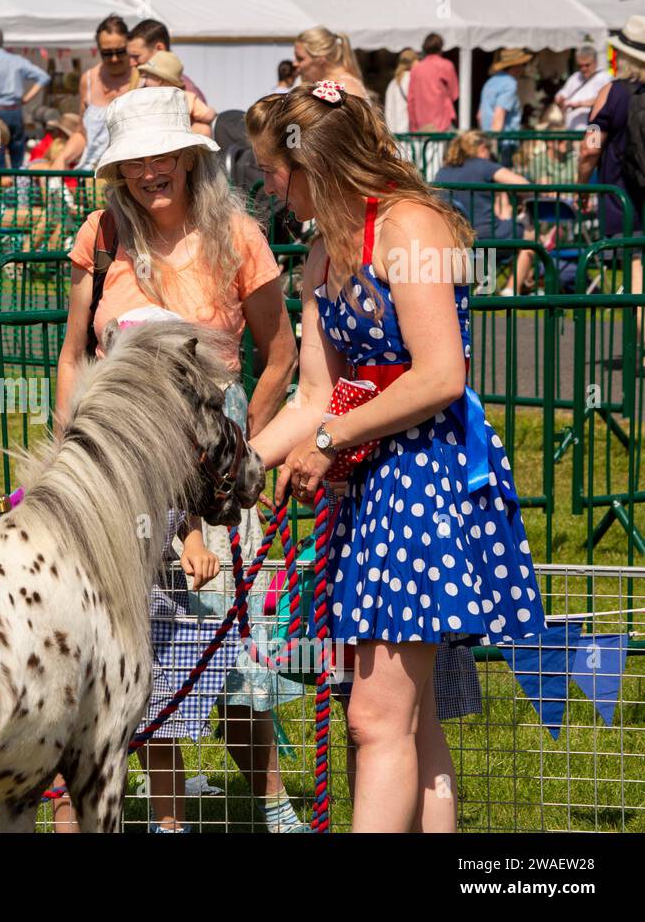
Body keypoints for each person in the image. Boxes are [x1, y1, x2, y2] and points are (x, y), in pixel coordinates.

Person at [245, 81, 546, 833]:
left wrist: (329, 440)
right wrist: (237, 468)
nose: (269, 186)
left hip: (426, 477)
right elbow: (315, 395)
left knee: (374, 721)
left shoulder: (410, 229)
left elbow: (442, 376)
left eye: (274, 171)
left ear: (314, 162)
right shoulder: (323, 250)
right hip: (372, 483)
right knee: (411, 724)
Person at [57, 87, 298, 832]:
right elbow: (72, 357)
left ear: (190, 158)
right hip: (117, 458)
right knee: (129, 637)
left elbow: (280, 355)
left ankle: (272, 806)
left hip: (212, 457)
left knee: (224, 650)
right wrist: (74, 447)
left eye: (162, 157)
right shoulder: (100, 236)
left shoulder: (238, 235)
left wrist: (242, 452)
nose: (149, 173)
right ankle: (150, 808)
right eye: (133, 162)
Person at [578, 15, 645, 297]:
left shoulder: (611, 93)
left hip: (625, 200)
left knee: (636, 267)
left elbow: (590, 147)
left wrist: (581, 187)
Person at [435, 129, 535, 292]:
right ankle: (511, 290)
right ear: (482, 148)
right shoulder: (483, 165)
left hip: (453, 236)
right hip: (486, 234)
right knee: (531, 235)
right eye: (489, 150)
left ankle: (484, 283)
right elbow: (523, 184)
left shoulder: (442, 171)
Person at [0, 25, 51, 169]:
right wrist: (27, 98)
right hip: (15, 111)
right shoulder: (17, 60)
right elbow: (43, 77)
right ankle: (16, 183)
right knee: (17, 150)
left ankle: (0, 184)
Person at [66, 14, 137, 173]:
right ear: (98, 50)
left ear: (129, 46)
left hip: (128, 176)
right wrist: (62, 158)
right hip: (90, 174)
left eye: (120, 51)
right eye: (107, 53)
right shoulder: (88, 79)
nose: (113, 59)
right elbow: (82, 133)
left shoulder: (142, 78)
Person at [127, 18, 208, 104]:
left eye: (136, 56)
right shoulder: (139, 84)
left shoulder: (185, 93)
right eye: (130, 56)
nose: (131, 63)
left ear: (160, 48)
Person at [136, 52, 216, 136]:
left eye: (147, 76)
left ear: (159, 80)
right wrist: (212, 111)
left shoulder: (143, 98)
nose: (144, 80)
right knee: (202, 128)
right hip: (179, 140)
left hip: (156, 139)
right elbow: (207, 116)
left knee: (202, 128)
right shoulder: (187, 97)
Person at [479, 48, 532, 166]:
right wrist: (493, 146)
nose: (524, 68)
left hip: (488, 140)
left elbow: (479, 115)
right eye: (523, 64)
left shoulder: (490, 82)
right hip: (502, 143)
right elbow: (499, 114)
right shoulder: (510, 84)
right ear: (516, 66)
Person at [293, 26, 366, 98]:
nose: (294, 63)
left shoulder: (346, 88)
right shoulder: (334, 85)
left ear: (320, 58)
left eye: (300, 59)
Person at [407, 33, 459, 132]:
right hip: (443, 123)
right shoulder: (446, 66)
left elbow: (411, 100)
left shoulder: (416, 69)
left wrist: (414, 125)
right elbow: (454, 94)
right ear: (441, 47)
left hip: (421, 123)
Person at [555, 44, 613, 132]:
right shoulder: (575, 77)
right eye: (580, 66)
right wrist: (560, 99)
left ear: (595, 62)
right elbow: (563, 94)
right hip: (572, 131)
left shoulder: (605, 78)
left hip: (594, 133)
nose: (583, 69)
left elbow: (605, 100)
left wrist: (579, 104)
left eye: (587, 65)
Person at [384, 48, 416, 134]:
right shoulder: (412, 79)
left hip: (394, 132)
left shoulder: (392, 83)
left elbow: (388, 109)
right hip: (408, 132)